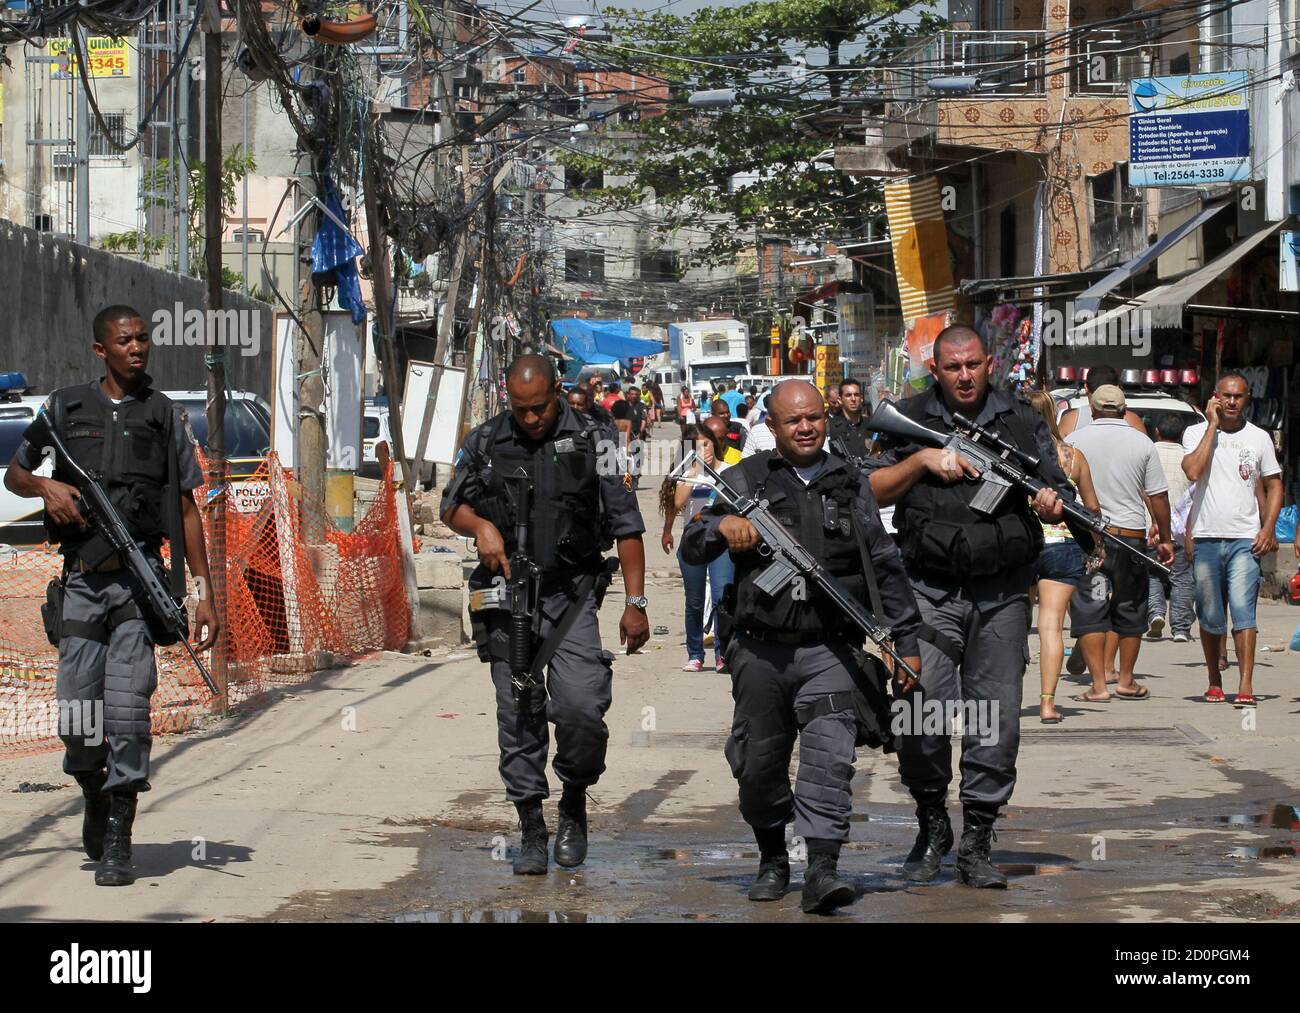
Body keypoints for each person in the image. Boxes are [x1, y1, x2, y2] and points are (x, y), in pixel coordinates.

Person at [682, 380, 923, 914]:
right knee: (758, 763)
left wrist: (906, 640)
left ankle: (822, 869)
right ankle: (772, 857)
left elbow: (883, 565)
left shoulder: (850, 483)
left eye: (814, 417)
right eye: (794, 421)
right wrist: (724, 524)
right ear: (773, 426)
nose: (807, 427)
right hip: (759, 650)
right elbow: (692, 541)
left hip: (831, 650)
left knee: (828, 761)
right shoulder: (746, 478)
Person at [3, 304, 219, 887]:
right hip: (79, 582)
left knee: (127, 710)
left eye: (143, 339)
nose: (137, 348)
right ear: (101, 350)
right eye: (125, 341)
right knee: (78, 718)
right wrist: (48, 486)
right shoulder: (64, 408)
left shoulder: (165, 416)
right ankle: (93, 789)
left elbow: (186, 507)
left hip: (137, 586)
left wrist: (202, 592)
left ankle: (120, 828)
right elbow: (15, 475)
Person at [866, 325, 1075, 888]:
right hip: (927, 592)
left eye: (973, 365)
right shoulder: (909, 416)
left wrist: (1057, 504)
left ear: (990, 365)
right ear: (935, 370)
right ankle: (933, 823)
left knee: (997, 721)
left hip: (1003, 593)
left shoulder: (1021, 420)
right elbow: (870, 490)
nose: (964, 375)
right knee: (920, 714)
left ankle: (978, 839)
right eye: (952, 366)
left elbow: (1056, 486)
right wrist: (923, 463)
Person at [441, 355, 650, 875]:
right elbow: (451, 506)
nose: (531, 419)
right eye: (521, 409)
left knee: (580, 707)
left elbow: (626, 524)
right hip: (507, 595)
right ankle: (531, 827)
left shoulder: (596, 440)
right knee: (519, 714)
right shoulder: (485, 440)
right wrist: (479, 528)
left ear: (558, 391)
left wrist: (636, 603)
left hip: (570, 595)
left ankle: (574, 800)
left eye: (539, 408)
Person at [1064, 385, 1174, 704]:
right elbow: (1158, 495)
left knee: (1092, 607)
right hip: (1130, 537)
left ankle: (1099, 684)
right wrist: (1165, 537)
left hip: (1089, 538)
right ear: (1125, 411)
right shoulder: (1142, 443)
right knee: (1130, 607)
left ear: (1092, 409)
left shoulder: (1074, 442)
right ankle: (1125, 679)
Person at [1181, 371, 1282, 707]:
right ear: (1215, 397)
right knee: (1210, 615)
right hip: (1208, 537)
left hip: (1244, 539)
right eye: (1226, 396)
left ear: (1247, 399)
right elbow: (1193, 471)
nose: (1232, 402)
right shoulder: (1196, 432)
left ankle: (1246, 684)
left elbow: (1274, 484)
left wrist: (1268, 528)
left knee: (1243, 611)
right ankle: (1214, 679)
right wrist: (1212, 426)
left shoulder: (1260, 438)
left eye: (1238, 397)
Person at [1026, 391, 1103, 723]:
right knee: (1051, 627)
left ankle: (1001, 693)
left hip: (1021, 545)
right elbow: (1093, 508)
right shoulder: (1073, 456)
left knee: (1008, 625)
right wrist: (1097, 546)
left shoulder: (1015, 453)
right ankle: (1047, 703)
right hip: (1063, 545)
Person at [660, 423, 735, 672]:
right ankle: (695, 653)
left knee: (721, 596)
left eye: (707, 443)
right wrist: (667, 531)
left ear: (715, 443)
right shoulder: (687, 472)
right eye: (696, 446)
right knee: (694, 601)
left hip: (720, 542)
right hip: (693, 542)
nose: (704, 449)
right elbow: (677, 503)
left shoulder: (729, 470)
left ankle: (723, 654)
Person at [1145, 413, 1194, 641]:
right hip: (1181, 529)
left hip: (1150, 527)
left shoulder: (1147, 453)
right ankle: (1181, 628)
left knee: (1153, 575)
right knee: (1181, 577)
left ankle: (1155, 614)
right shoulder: (1189, 457)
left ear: (1157, 431)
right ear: (1181, 434)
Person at [1057, 364, 1147, 437]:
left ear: (1086, 388)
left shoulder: (1070, 421)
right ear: (1117, 388)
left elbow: (1058, 456)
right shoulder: (1133, 421)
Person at [828, 378, 871, 461]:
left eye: (856, 395)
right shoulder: (831, 428)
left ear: (861, 399)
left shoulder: (871, 426)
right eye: (848, 395)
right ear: (840, 400)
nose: (853, 399)